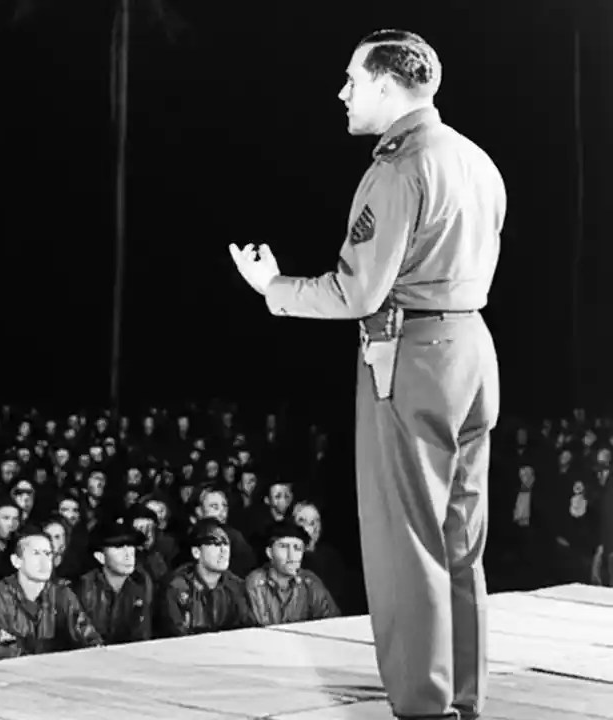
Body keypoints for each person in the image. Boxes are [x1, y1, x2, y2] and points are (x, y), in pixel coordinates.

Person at [228, 30, 503, 720]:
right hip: (472, 348)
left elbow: (359, 292)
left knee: (406, 544)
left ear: (387, 86)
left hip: (409, 359)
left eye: (353, 79)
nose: (342, 92)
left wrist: (274, 287)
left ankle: (421, 706)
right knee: (460, 542)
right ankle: (462, 701)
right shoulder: (476, 159)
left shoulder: (398, 167)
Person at [0, 527, 103, 660]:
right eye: (36, 553)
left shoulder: (62, 594)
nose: (44, 562)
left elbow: (87, 635)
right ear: (16, 561)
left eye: (48, 554)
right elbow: (7, 652)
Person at [244, 520, 340, 626]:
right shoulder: (256, 584)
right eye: (284, 547)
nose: (291, 555)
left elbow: (332, 623)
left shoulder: (310, 582)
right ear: (269, 553)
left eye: (297, 548)